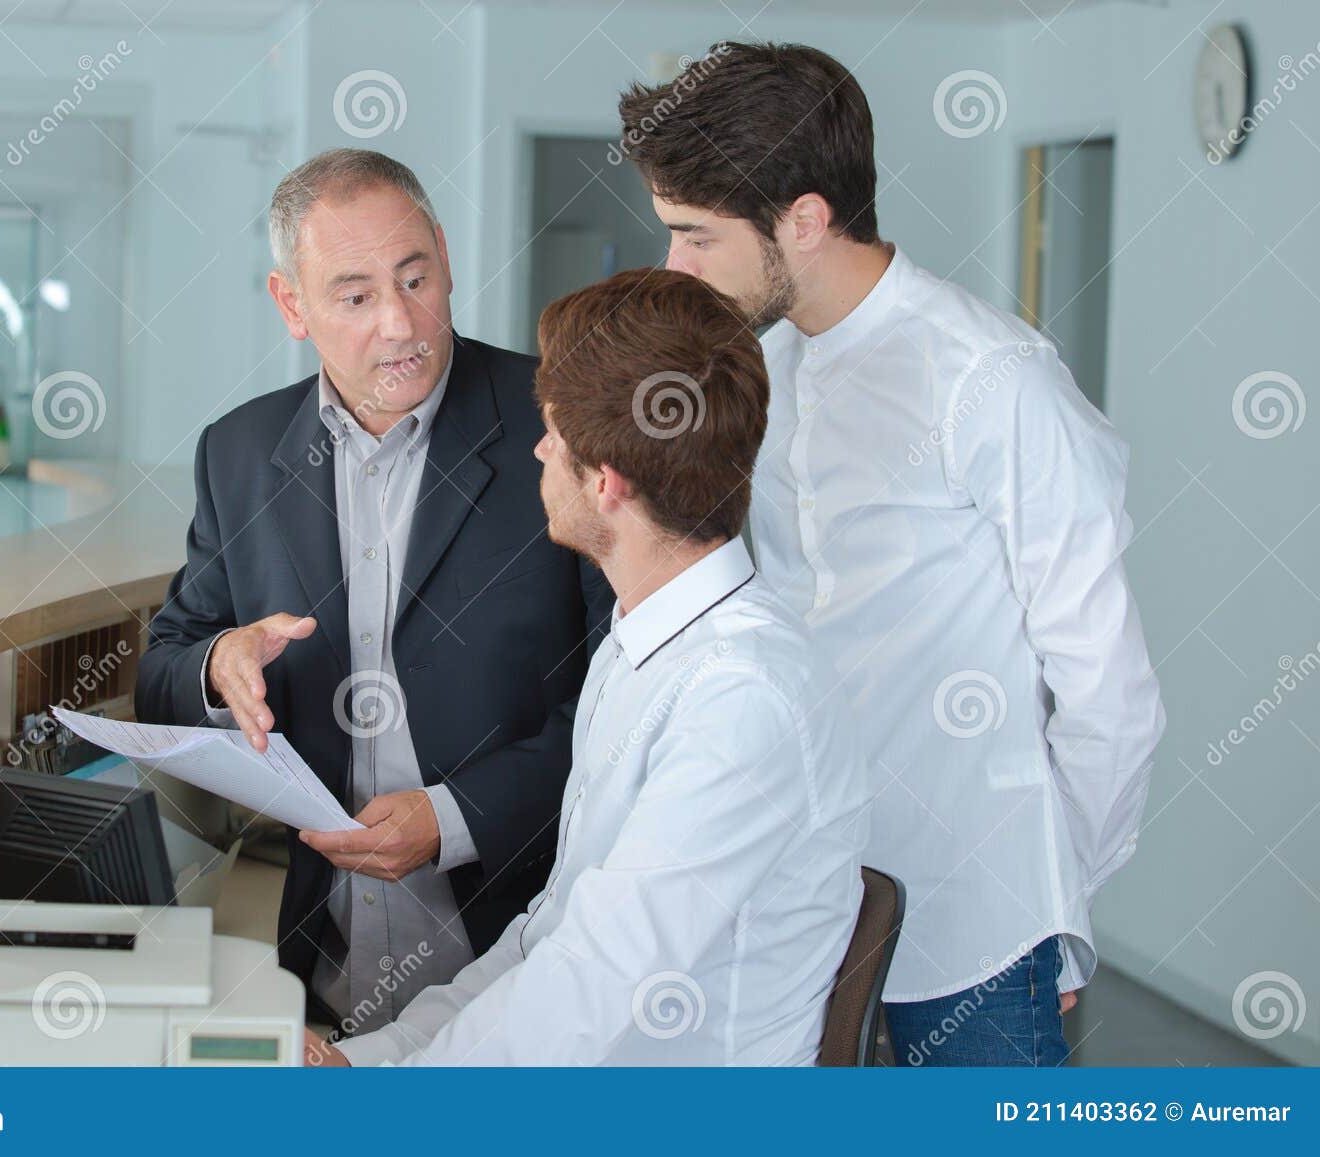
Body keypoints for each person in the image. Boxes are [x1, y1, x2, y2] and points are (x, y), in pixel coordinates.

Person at [618, 41, 1165, 1066]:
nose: (674, 270)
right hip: (802, 911)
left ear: (806, 219)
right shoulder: (760, 368)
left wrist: (1057, 911)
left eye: (696, 237)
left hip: (979, 932)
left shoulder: (994, 381)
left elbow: (1109, 690)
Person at [304, 268, 869, 1066]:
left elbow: (590, 988)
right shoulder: (640, 642)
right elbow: (550, 935)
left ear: (607, 483)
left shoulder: (742, 698)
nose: (538, 447)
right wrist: (370, 1059)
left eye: (553, 431)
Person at [134, 148, 613, 1033]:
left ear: (444, 253)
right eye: (355, 297)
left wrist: (456, 816)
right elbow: (163, 670)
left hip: (530, 959)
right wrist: (219, 662)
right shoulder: (239, 453)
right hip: (327, 964)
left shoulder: (562, 420)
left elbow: (621, 703)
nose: (401, 324)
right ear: (292, 305)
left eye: (416, 278)